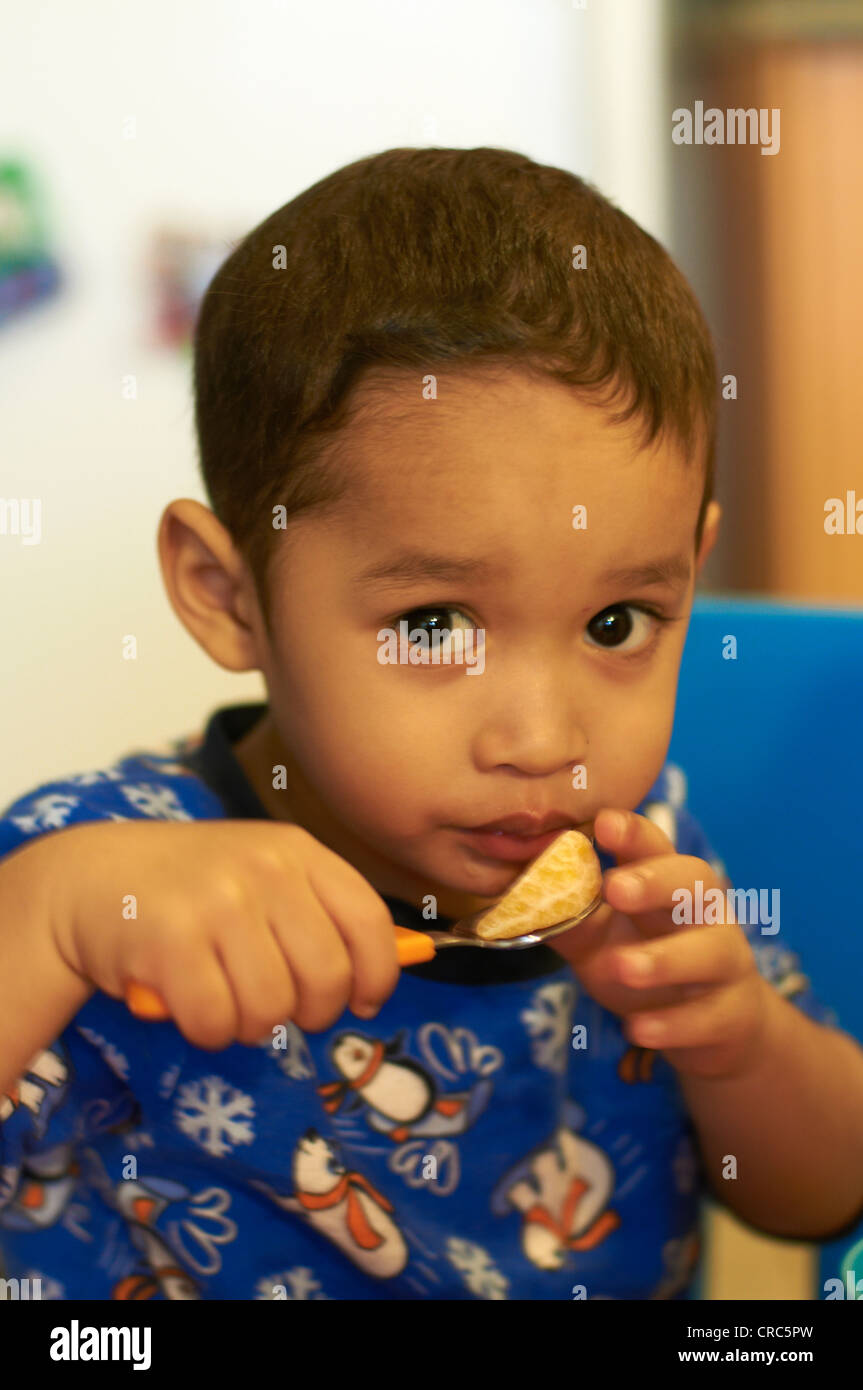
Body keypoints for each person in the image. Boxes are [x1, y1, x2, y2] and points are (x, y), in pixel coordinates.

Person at [1, 147, 861, 1301]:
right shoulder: (105, 879)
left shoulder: (635, 855)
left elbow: (816, 1198)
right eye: (433, 623)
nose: (542, 734)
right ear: (226, 592)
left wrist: (738, 1040)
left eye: (615, 620)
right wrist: (47, 921)